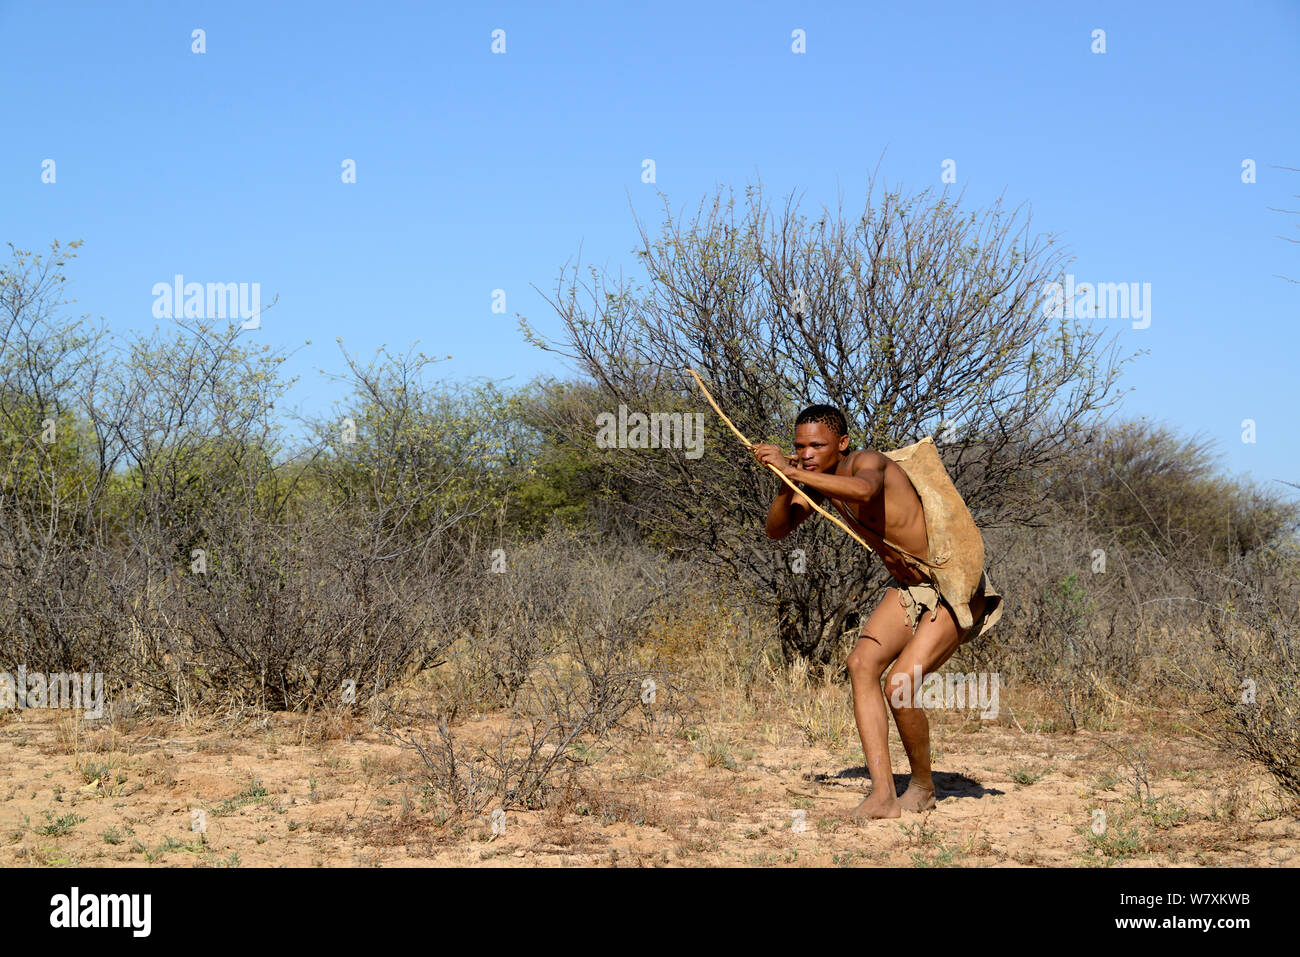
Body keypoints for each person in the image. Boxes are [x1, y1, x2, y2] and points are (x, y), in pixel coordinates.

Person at [754, 404, 1000, 818]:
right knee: (861, 664)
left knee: (899, 685)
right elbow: (778, 529)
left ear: (843, 443)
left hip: (950, 586)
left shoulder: (868, 462)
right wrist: (784, 481)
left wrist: (793, 470)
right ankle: (882, 795)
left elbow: (866, 491)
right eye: (800, 446)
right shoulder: (820, 479)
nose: (808, 453)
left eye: (817, 444)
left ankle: (922, 788)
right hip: (909, 588)